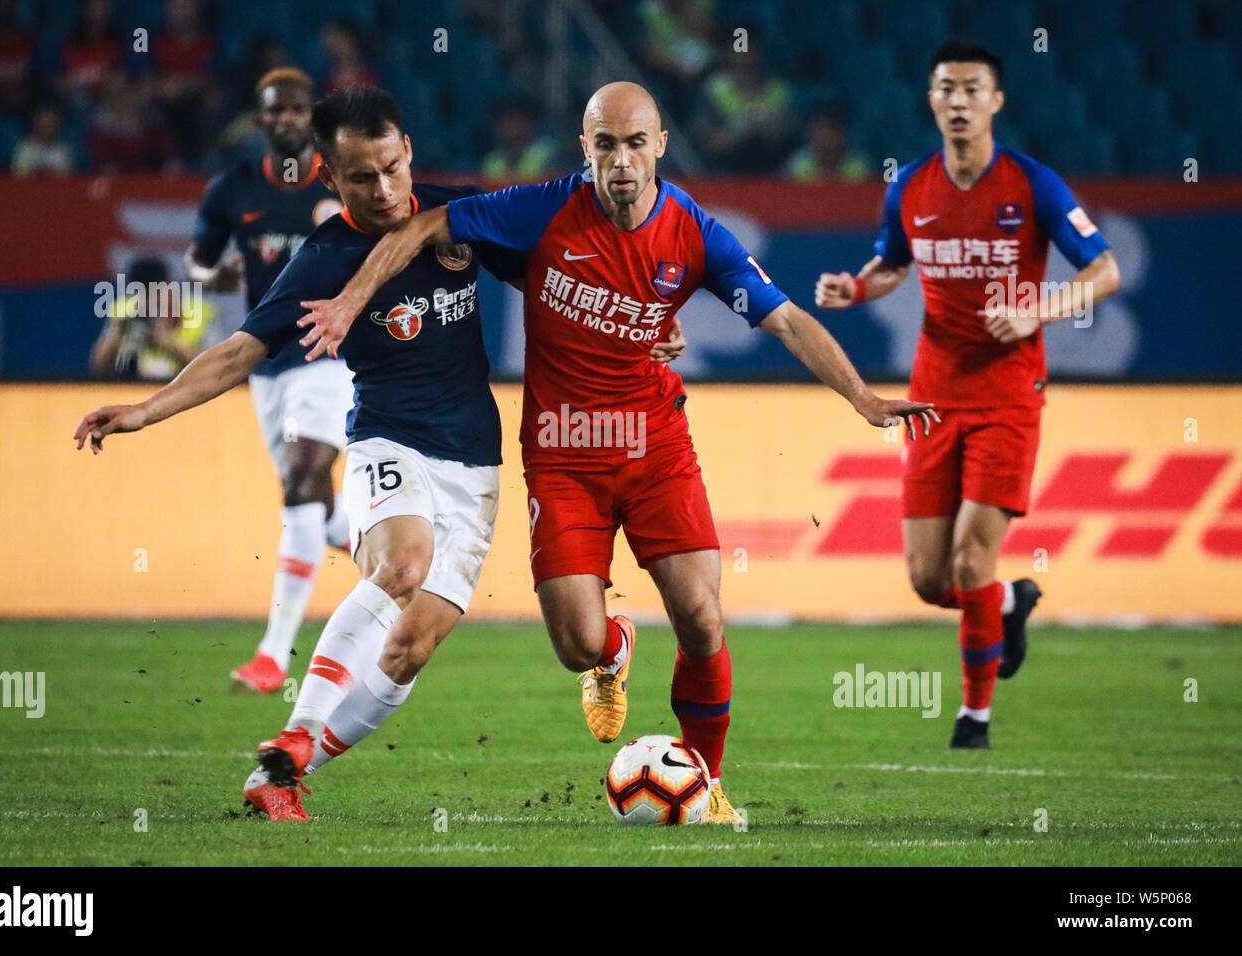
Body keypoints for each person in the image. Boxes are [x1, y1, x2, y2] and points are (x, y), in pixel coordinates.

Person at [295, 81, 936, 822]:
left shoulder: (695, 232)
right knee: (577, 645)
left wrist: (864, 398)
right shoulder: (541, 209)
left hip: (654, 445)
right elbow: (423, 226)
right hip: (563, 456)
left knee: (700, 616)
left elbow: (788, 322)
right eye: (605, 145)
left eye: (636, 144)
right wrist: (349, 298)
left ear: (660, 146)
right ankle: (612, 651)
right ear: (585, 148)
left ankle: (711, 780)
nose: (621, 162)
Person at [75, 85, 684, 821]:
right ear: (330, 179)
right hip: (387, 440)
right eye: (362, 178)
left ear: (409, 154)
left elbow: (561, 277)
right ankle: (294, 735)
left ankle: (287, 768)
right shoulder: (324, 260)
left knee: (408, 652)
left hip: (475, 463)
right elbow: (239, 353)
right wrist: (145, 408)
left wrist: (639, 323)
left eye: (393, 167)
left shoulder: (456, 217)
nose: (386, 189)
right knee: (400, 567)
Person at [814, 40, 1121, 748]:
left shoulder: (1034, 185)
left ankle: (973, 719)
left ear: (996, 101)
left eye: (972, 89)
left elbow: (1103, 270)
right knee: (928, 579)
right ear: (932, 100)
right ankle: (1008, 602)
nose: (958, 101)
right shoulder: (911, 188)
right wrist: (856, 288)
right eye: (946, 88)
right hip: (932, 397)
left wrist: (1036, 309)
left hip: (1009, 396)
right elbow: (892, 264)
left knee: (968, 563)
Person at [186, 68, 350, 694]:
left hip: (331, 354)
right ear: (260, 122)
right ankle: (380, 555)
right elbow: (200, 265)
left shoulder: (341, 182)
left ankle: (273, 655)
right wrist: (216, 277)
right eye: (273, 112)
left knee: (305, 479)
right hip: (267, 363)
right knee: (311, 501)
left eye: (296, 109)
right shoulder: (231, 189)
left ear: (313, 117)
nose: (285, 120)